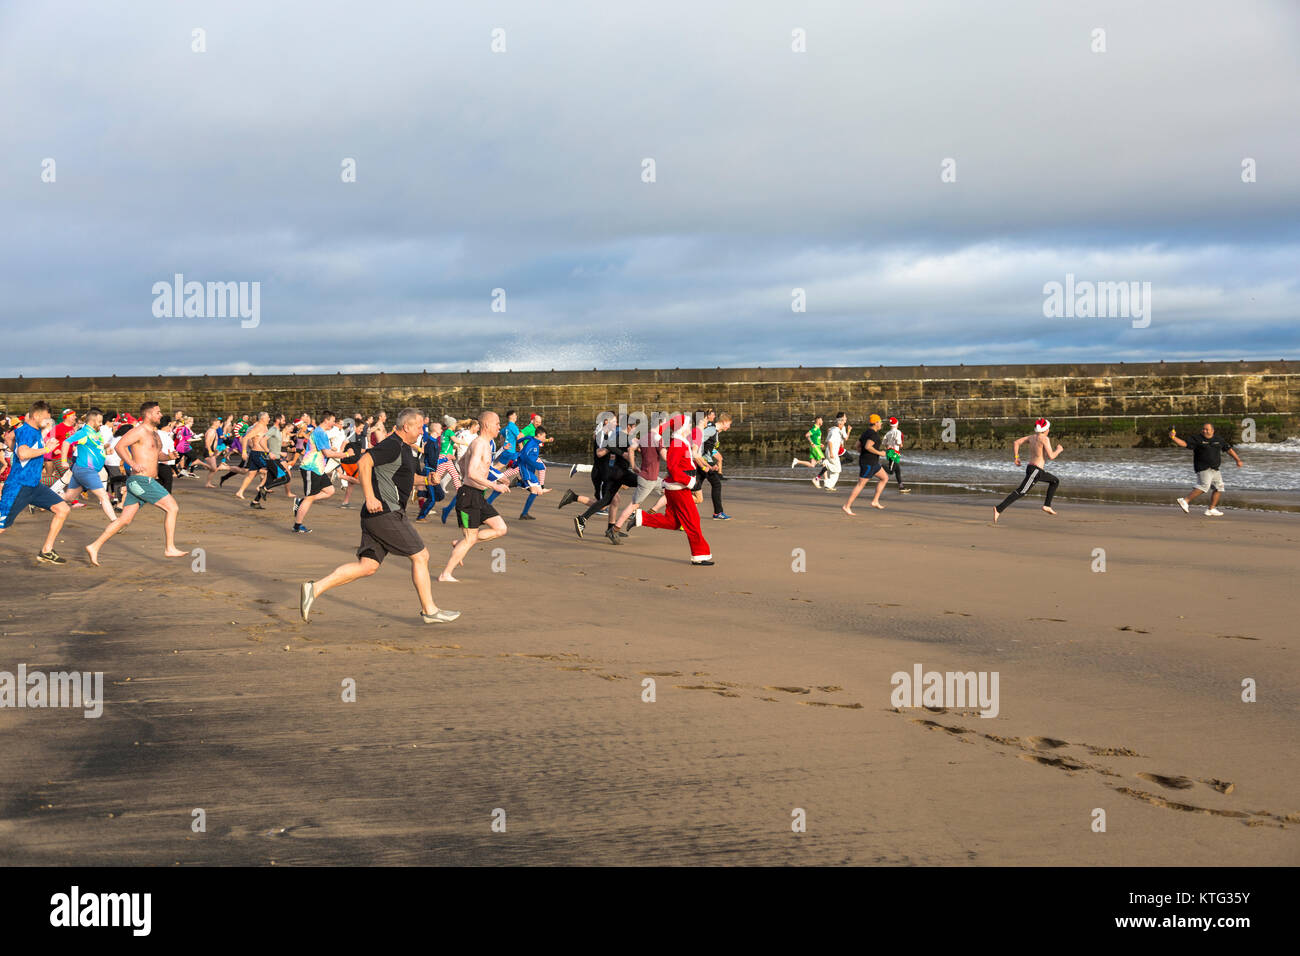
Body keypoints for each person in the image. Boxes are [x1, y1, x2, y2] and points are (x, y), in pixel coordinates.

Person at [300, 407, 459, 625]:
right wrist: (370, 496)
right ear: (407, 426)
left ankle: (314, 588)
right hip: (384, 512)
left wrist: (427, 480)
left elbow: (403, 477)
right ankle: (429, 610)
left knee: (368, 566)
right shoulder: (392, 445)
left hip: (377, 514)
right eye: (420, 426)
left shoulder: (402, 447)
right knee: (421, 556)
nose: (422, 430)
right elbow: (364, 462)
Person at [84, 401, 187, 565]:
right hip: (141, 480)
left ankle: (94, 546)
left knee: (124, 520)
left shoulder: (154, 434)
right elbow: (119, 446)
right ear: (148, 414)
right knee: (172, 507)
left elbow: (157, 455)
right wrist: (132, 464)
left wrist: (169, 457)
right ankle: (169, 548)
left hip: (144, 481)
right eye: (158, 412)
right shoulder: (138, 431)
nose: (161, 415)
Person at [632, 413, 713, 565]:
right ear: (682, 428)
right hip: (678, 488)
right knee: (692, 521)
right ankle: (699, 555)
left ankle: (641, 518)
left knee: (674, 522)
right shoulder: (678, 443)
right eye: (688, 425)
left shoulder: (680, 441)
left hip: (677, 488)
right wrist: (689, 481)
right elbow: (672, 467)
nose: (690, 427)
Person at [439, 411, 510, 582]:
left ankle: (460, 543)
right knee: (470, 538)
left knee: (501, 529)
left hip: (478, 495)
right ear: (487, 425)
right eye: (497, 424)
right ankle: (445, 574)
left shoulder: (483, 443)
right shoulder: (479, 444)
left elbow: (462, 463)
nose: (499, 427)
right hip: (469, 496)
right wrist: (494, 485)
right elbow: (470, 472)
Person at [0, 401, 73, 563]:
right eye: (46, 418)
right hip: (18, 486)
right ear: (36, 416)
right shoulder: (28, 431)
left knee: (62, 509)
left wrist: (12, 443)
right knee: (2, 526)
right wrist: (47, 449)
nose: (49, 422)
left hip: (34, 485)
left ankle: (46, 551)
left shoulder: (30, 431)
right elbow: (24, 454)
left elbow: (12, 441)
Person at [993, 418, 1063, 522]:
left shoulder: (1032, 437)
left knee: (1055, 481)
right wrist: (1059, 450)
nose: (1049, 430)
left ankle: (1047, 505)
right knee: (1021, 491)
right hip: (1035, 471)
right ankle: (999, 509)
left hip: (1034, 469)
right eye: (1048, 428)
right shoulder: (1044, 439)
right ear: (1046, 429)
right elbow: (1051, 456)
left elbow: (1016, 442)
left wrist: (1016, 457)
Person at [1170, 423, 1244, 516]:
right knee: (1204, 486)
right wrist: (1174, 438)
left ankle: (1211, 509)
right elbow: (1184, 444)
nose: (1204, 431)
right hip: (1203, 467)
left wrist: (1238, 460)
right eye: (1203, 429)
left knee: (1219, 488)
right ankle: (1185, 500)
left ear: (1212, 431)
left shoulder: (1219, 440)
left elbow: (1228, 449)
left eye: (1207, 429)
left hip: (1215, 468)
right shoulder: (1197, 438)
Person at [293, 411, 346, 533]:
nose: (334, 423)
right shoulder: (320, 432)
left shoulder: (321, 432)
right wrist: (345, 454)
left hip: (319, 469)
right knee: (310, 497)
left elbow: (325, 450)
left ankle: (301, 502)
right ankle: (297, 525)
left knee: (329, 491)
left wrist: (332, 450)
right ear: (326, 420)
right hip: (310, 468)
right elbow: (327, 453)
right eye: (333, 420)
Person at [843, 413, 890, 514]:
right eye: (880, 422)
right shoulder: (874, 434)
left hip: (873, 463)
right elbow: (868, 446)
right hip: (868, 464)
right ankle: (847, 506)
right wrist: (880, 453)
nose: (881, 424)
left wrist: (863, 452)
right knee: (860, 485)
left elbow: (857, 446)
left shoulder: (866, 432)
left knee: (884, 478)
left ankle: (875, 501)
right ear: (876, 423)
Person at [698, 412, 733, 519]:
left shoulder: (715, 431)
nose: (729, 427)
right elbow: (698, 439)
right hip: (704, 461)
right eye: (729, 424)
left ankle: (679, 510)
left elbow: (707, 444)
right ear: (724, 422)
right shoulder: (712, 429)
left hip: (703, 461)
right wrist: (699, 456)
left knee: (695, 488)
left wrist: (714, 454)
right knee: (716, 484)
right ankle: (718, 513)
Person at [791, 416, 825, 486]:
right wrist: (812, 443)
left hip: (816, 447)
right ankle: (825, 480)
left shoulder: (817, 428)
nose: (822, 421)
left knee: (812, 465)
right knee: (824, 462)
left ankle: (797, 461)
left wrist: (819, 444)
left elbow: (815, 438)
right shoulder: (815, 428)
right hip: (815, 448)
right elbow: (807, 435)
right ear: (818, 420)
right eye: (821, 420)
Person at [881, 417, 910, 493]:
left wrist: (888, 445)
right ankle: (880, 466)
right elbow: (898, 441)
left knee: (898, 470)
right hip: (894, 452)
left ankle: (901, 487)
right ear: (897, 424)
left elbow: (884, 442)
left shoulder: (888, 433)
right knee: (891, 471)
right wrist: (900, 444)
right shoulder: (898, 432)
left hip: (890, 452)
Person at [821, 413, 848, 491]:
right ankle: (825, 463)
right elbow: (829, 441)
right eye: (844, 420)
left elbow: (827, 440)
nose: (844, 422)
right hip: (832, 452)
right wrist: (832, 453)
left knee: (835, 472)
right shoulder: (835, 431)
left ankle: (829, 485)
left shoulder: (833, 429)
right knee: (838, 469)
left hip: (830, 451)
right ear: (840, 422)